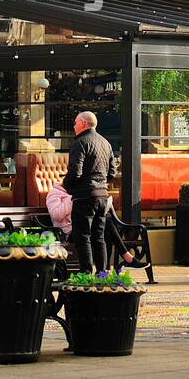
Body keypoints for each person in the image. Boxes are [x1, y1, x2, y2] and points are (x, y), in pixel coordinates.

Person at [61, 110, 118, 276]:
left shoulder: (80, 143)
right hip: (102, 196)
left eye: (75, 122)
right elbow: (112, 173)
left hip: (84, 196)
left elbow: (75, 173)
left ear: (84, 123)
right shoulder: (105, 143)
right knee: (98, 237)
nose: (74, 126)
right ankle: (102, 273)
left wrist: (66, 185)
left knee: (82, 236)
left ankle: (86, 273)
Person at [46, 182, 134, 267]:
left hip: (83, 226)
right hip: (68, 232)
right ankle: (125, 257)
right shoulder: (54, 193)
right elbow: (56, 214)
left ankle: (105, 269)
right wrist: (73, 199)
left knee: (106, 225)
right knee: (105, 226)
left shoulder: (78, 193)